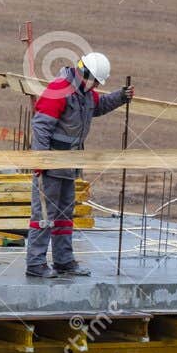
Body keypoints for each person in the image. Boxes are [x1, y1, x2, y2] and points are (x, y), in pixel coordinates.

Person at [26, 51, 133, 279]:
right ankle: (35, 264)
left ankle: (64, 261)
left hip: (70, 163)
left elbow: (99, 106)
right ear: (85, 74)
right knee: (44, 214)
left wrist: (120, 97)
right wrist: (41, 160)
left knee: (65, 215)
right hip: (52, 164)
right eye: (94, 81)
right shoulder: (59, 90)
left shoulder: (84, 92)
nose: (95, 86)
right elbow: (41, 126)